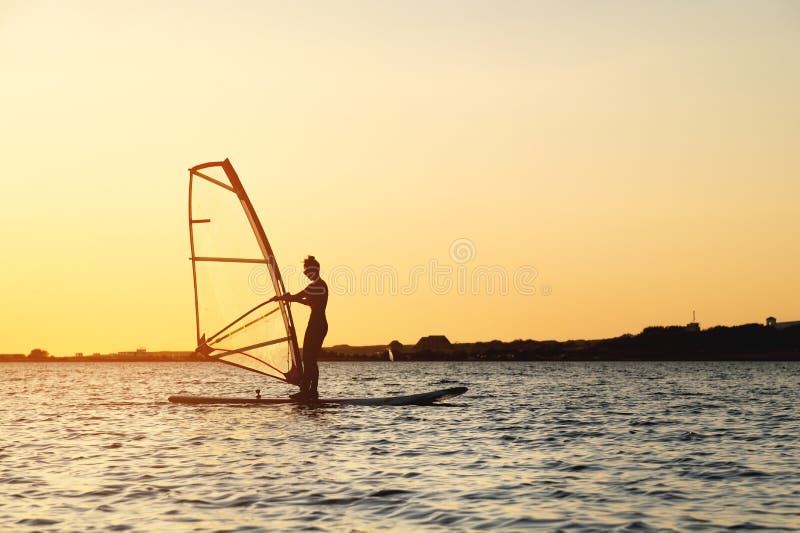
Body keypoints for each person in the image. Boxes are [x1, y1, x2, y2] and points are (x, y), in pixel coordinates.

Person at [269, 255, 328, 399]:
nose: (306, 275)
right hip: (316, 324)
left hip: (317, 325)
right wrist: (288, 298)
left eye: (307, 272)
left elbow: (298, 296)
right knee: (309, 358)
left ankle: (309, 391)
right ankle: (311, 391)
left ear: (314, 270)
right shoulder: (319, 286)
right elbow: (307, 301)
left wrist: (282, 298)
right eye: (305, 272)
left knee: (309, 358)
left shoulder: (317, 285)